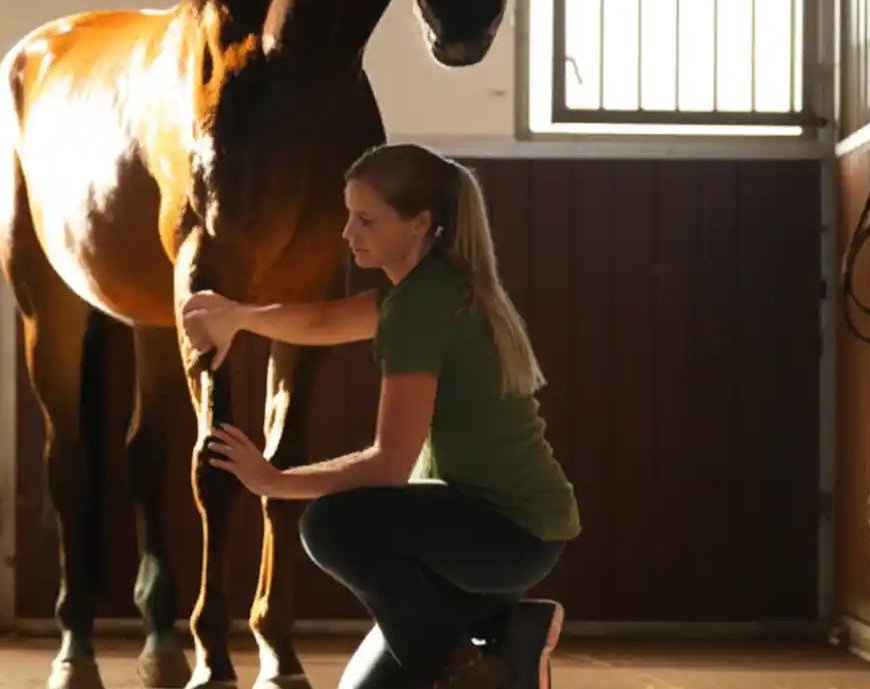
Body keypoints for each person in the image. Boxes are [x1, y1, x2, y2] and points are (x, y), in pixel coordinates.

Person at [179, 142, 582, 689]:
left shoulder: (423, 306)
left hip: (505, 534)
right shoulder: (429, 289)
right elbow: (321, 323)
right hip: (499, 534)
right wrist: (239, 317)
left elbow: (389, 465)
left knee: (331, 523)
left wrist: (273, 481)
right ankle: (504, 626)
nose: (348, 234)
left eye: (366, 220)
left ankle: (472, 666)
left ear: (419, 224)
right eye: (349, 216)